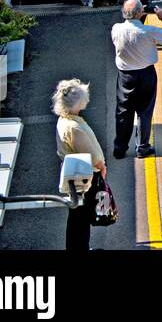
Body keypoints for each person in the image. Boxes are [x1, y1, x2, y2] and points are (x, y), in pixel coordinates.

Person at [111, 0, 162, 158]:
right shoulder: (148, 31)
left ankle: (119, 148)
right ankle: (142, 148)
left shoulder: (116, 29)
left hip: (125, 76)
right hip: (146, 75)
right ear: (140, 12)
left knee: (123, 112)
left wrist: (139, 14)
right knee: (144, 112)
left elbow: (132, 27)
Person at [54, 78, 106, 251]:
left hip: (73, 174)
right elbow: (91, 155)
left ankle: (77, 248)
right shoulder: (74, 127)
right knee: (81, 217)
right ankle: (80, 248)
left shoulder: (64, 120)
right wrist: (102, 167)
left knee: (77, 215)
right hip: (84, 177)